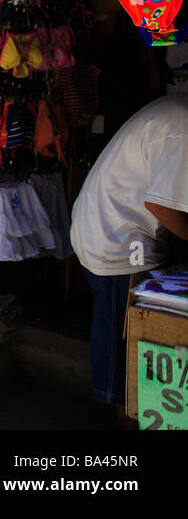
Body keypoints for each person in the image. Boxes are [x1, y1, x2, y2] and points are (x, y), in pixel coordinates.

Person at [71, 95, 188, 420]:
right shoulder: (182, 125)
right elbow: (161, 206)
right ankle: (126, 415)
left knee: (122, 330)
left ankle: (128, 410)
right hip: (120, 241)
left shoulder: (176, 111)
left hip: (113, 230)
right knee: (125, 337)